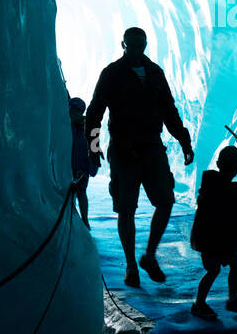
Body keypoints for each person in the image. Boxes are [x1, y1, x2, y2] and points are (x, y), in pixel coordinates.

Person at [85, 27, 196, 287]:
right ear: (123, 44)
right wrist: (92, 146)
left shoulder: (155, 73)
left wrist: (183, 139)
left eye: (140, 44)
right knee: (126, 208)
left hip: (151, 147)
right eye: (132, 45)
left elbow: (168, 109)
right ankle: (131, 265)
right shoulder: (112, 73)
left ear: (145, 44)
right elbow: (95, 111)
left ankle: (148, 256)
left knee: (166, 201)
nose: (136, 49)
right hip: (124, 149)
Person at [189, 146, 237, 319]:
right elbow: (226, 217)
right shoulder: (224, 188)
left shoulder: (212, 184)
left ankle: (230, 300)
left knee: (225, 266)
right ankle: (199, 304)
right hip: (214, 239)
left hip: (217, 238)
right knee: (215, 269)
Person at [68, 97, 98, 227]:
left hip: (82, 166)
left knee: (81, 192)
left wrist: (93, 167)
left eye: (72, 111)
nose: (69, 114)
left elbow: (95, 147)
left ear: (79, 112)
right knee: (71, 193)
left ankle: (85, 220)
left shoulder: (90, 127)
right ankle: (74, 219)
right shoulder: (70, 126)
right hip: (69, 165)